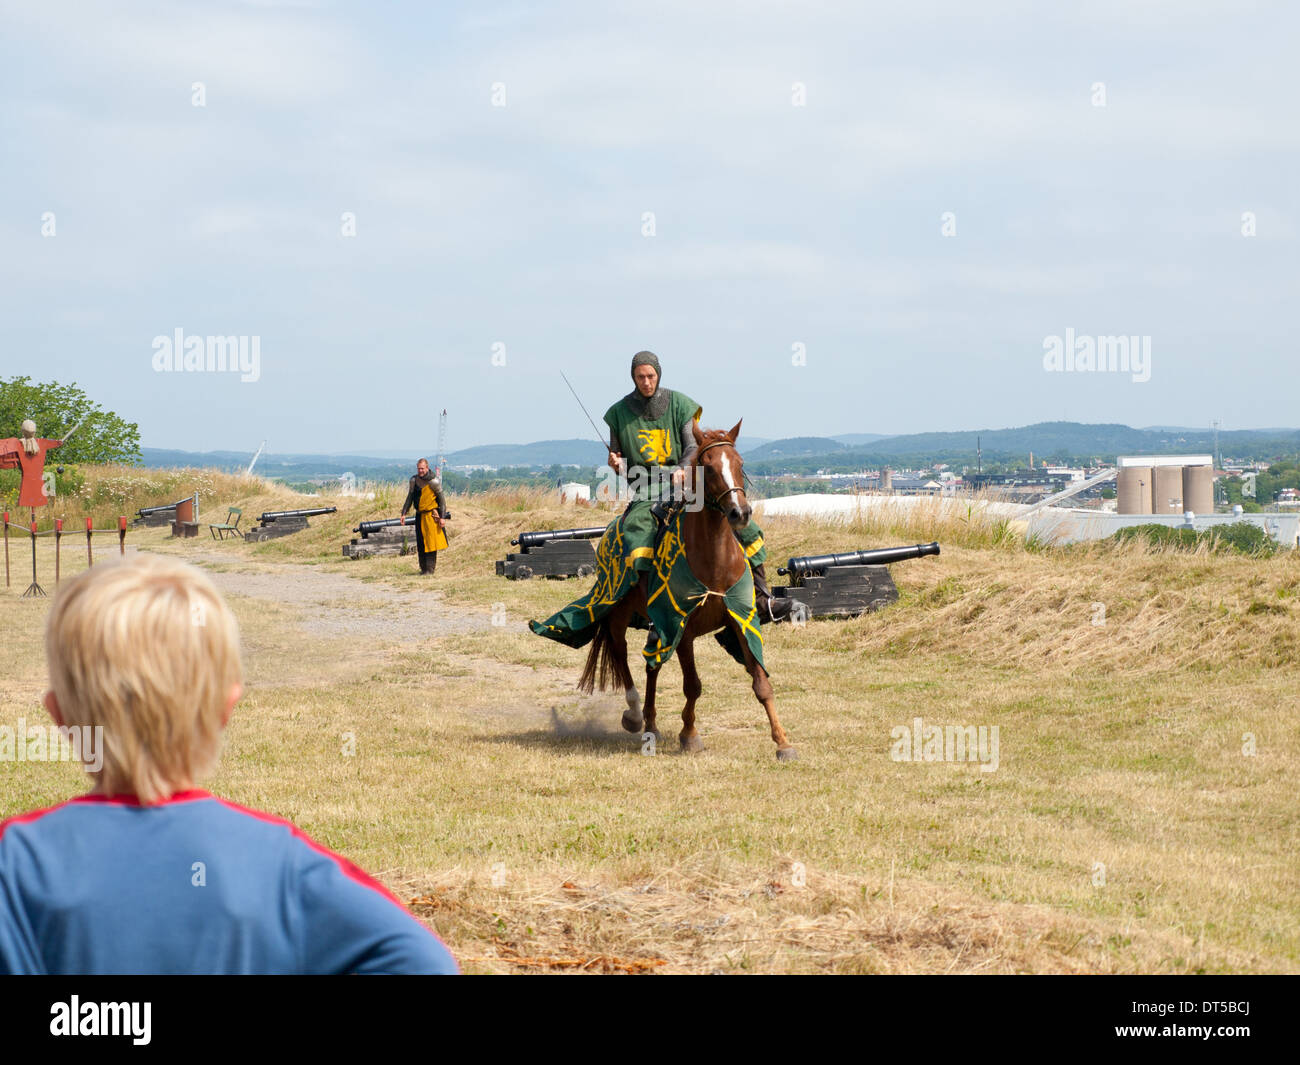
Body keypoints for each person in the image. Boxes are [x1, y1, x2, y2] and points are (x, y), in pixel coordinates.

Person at [0, 555, 459, 975]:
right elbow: (424, 963)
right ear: (226, 707)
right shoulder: (284, 865)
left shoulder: (15, 864)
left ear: (59, 717)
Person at [605, 350, 793, 622]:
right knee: (638, 530)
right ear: (633, 378)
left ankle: (763, 598)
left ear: (658, 374)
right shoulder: (618, 414)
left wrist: (683, 470)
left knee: (743, 523)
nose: (646, 382)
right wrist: (615, 463)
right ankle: (652, 609)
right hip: (646, 488)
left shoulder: (680, 405)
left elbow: (693, 444)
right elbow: (620, 462)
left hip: (686, 483)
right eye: (640, 377)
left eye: (651, 376)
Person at [0, 419, 63, 509]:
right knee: (37, 499)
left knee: (28, 500)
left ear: (23, 431)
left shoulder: (18, 444)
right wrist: (59, 442)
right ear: (34, 432)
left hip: (26, 482)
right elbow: (56, 443)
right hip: (38, 482)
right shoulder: (42, 443)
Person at [400, 458, 448, 575]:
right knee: (421, 543)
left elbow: (442, 501)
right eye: (419, 468)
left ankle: (430, 570)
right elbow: (410, 497)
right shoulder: (414, 480)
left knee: (431, 543)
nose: (420, 471)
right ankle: (423, 569)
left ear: (427, 468)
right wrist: (404, 513)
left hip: (431, 516)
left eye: (422, 468)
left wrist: (442, 517)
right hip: (420, 515)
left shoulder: (434, 482)